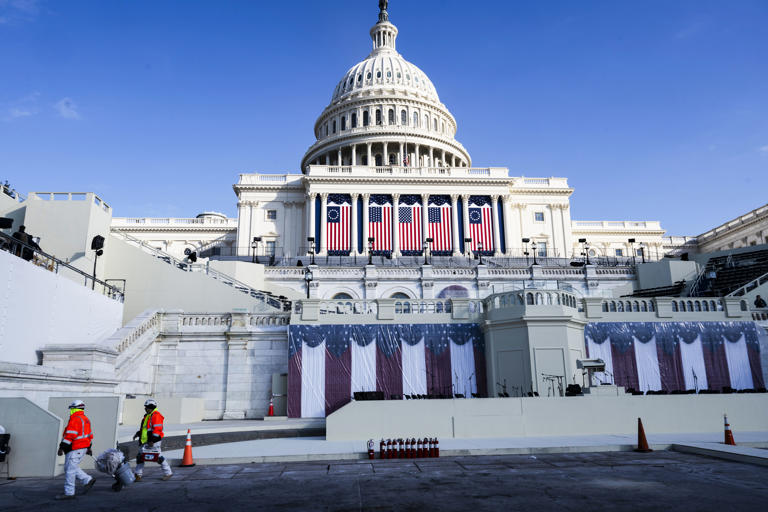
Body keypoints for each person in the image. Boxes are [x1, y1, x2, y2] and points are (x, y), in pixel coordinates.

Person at [55, 400, 96, 500]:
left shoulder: (75, 419)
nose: (70, 411)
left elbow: (70, 435)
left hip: (75, 448)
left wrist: (62, 447)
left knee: (70, 471)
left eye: (71, 409)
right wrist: (89, 448)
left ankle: (69, 493)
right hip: (82, 448)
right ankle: (87, 479)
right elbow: (89, 435)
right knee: (71, 468)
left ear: (75, 408)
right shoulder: (85, 419)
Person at [133, 398, 172, 481]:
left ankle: (168, 473)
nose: (145, 409)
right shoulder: (148, 416)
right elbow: (145, 429)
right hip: (146, 441)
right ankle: (137, 475)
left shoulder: (156, 415)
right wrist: (138, 434)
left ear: (150, 407)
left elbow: (157, 430)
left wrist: (152, 440)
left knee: (158, 457)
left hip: (153, 441)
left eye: (146, 407)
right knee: (140, 457)